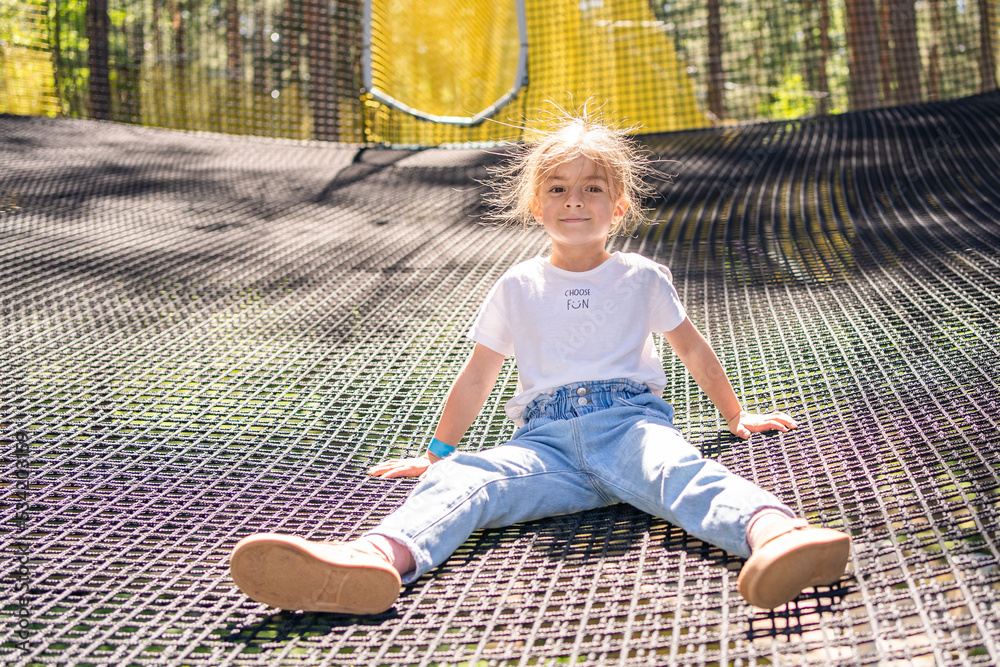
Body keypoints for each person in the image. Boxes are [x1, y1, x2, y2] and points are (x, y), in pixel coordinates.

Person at [229, 115, 850, 614]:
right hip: (546, 450)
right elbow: (478, 375)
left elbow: (690, 347)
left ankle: (780, 539)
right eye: (557, 188)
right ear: (535, 204)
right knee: (461, 483)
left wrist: (736, 414)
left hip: (629, 428)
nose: (573, 201)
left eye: (592, 189)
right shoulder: (518, 285)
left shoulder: (639, 277)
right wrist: (439, 453)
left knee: (678, 470)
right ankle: (373, 563)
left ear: (619, 207)